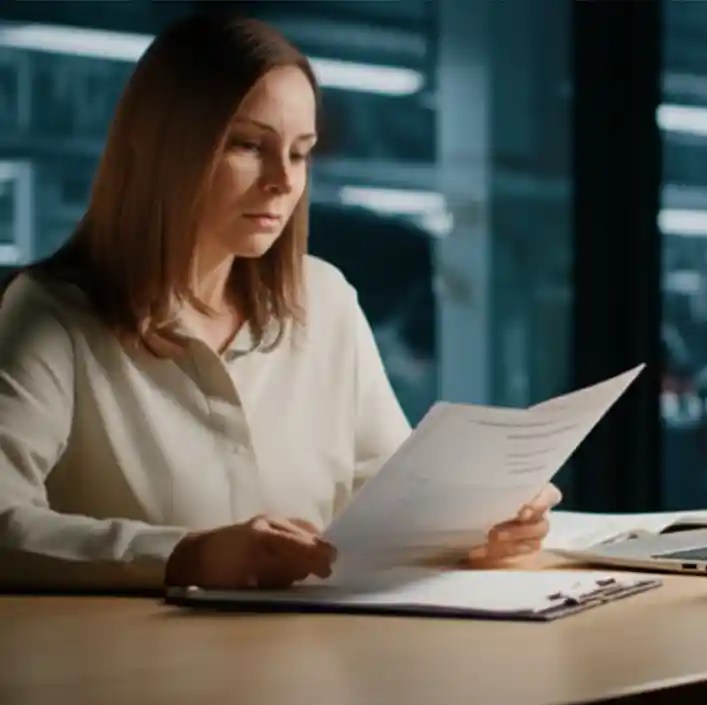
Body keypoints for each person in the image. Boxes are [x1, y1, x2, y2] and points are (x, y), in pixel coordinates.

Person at [0, 13, 559, 592]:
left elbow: (395, 495)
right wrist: (186, 555)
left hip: (319, 658)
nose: (283, 181)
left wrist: (475, 523)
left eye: (300, 153)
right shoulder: (51, 316)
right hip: (134, 671)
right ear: (169, 149)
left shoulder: (325, 300)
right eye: (248, 145)